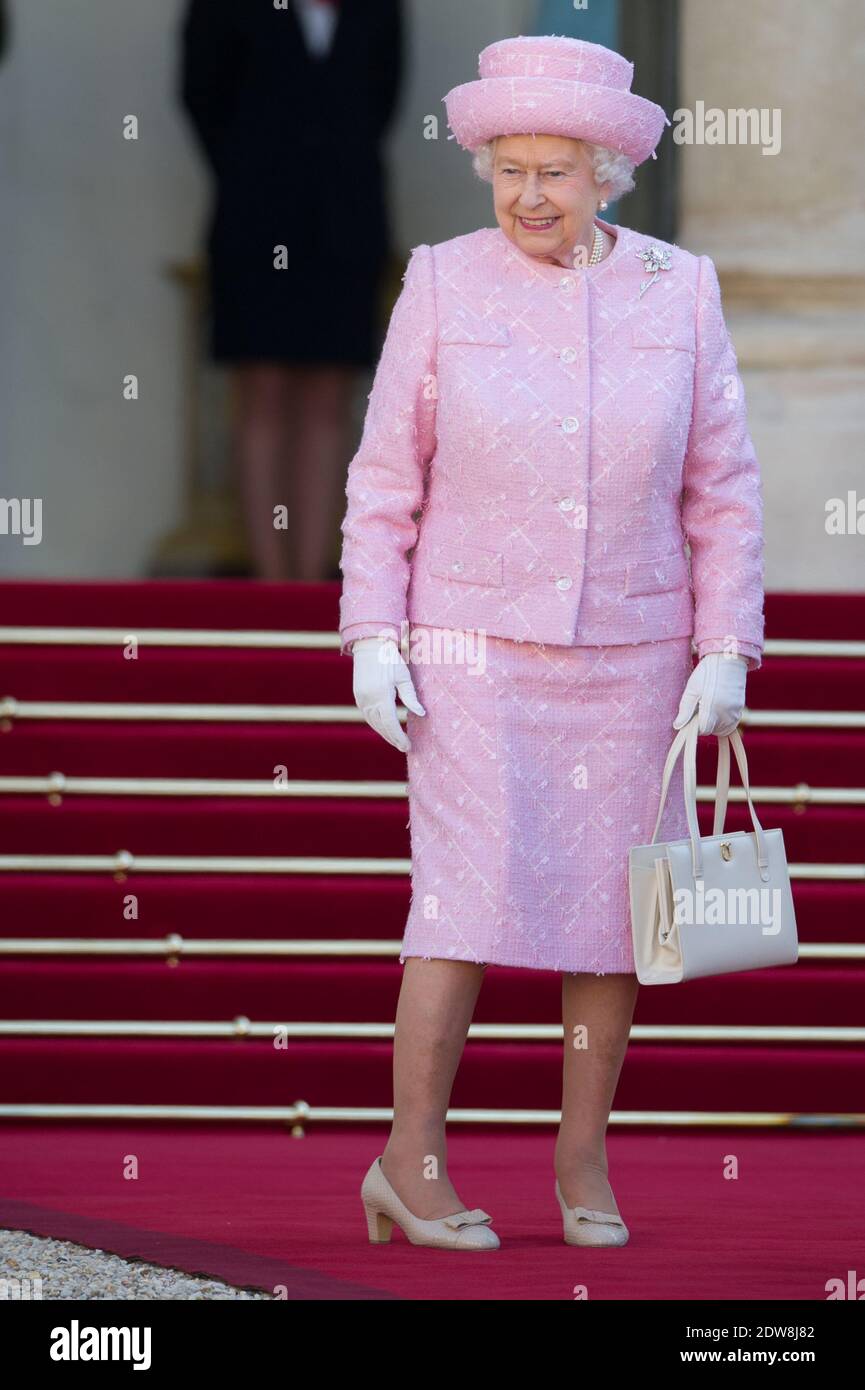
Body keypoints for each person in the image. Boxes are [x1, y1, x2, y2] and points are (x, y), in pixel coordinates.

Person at [339, 36, 764, 1251]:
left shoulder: (679, 289)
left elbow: (721, 489)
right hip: (469, 644)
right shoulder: (442, 281)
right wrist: (375, 630)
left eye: (556, 171)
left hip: (635, 652)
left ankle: (582, 1160)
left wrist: (725, 646)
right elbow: (384, 482)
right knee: (458, 911)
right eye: (507, 167)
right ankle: (406, 1164)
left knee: (607, 923)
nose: (528, 194)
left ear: (609, 172)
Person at [179, 0, 403, 580]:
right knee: (262, 388)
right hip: (254, 222)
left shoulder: (376, 8)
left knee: (331, 393)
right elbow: (202, 97)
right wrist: (260, 175)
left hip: (346, 223)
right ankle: (270, 582)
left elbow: (381, 101)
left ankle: (310, 583)